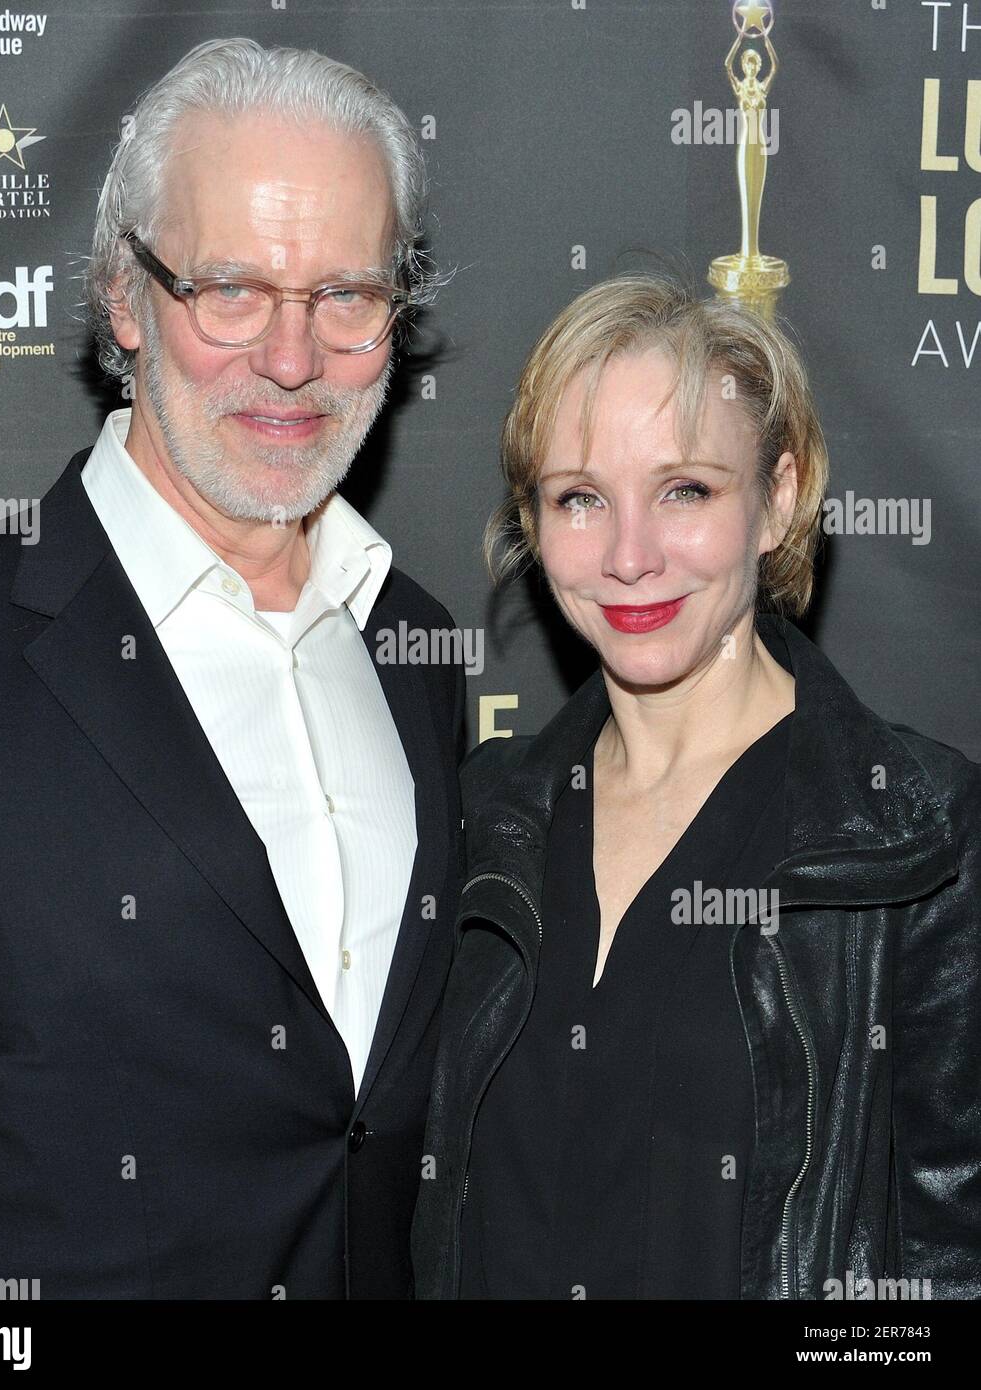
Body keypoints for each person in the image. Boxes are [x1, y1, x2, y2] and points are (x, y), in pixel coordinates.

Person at [0, 37, 465, 1299]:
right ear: (122, 300)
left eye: (347, 295)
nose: (294, 360)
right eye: (233, 291)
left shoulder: (417, 655)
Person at [411, 274, 981, 1300]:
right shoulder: (486, 817)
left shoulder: (923, 837)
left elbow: (951, 1265)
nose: (631, 557)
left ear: (781, 498)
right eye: (581, 497)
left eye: (686, 491)